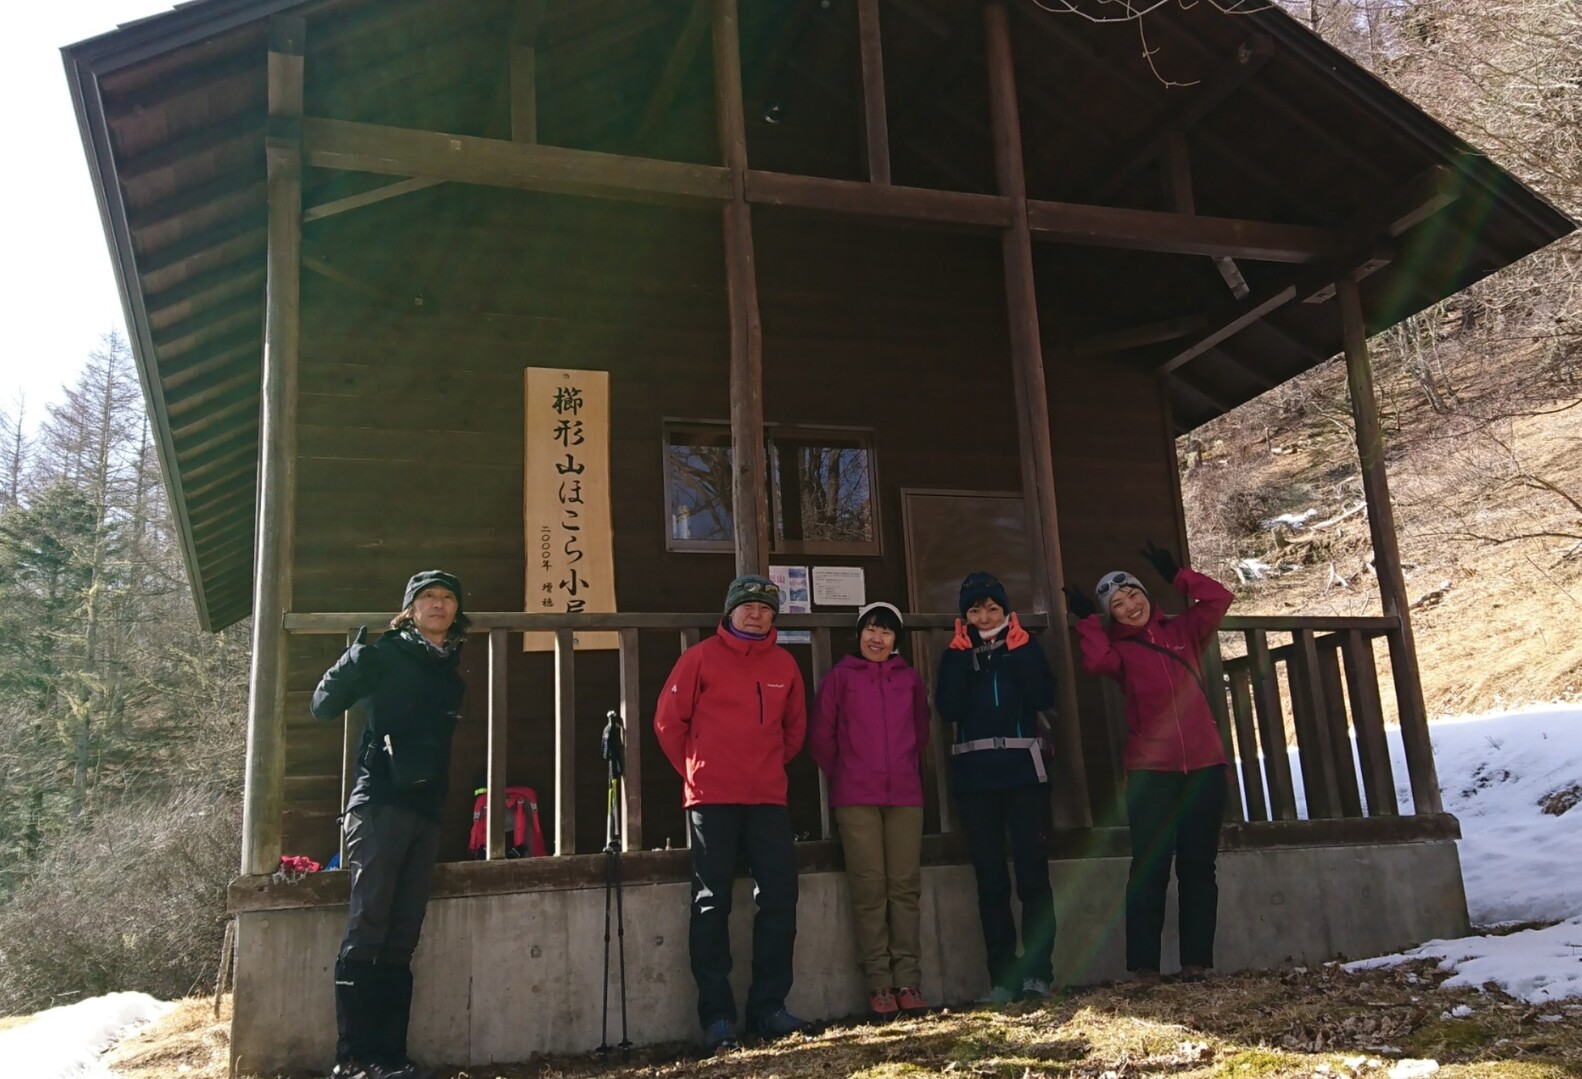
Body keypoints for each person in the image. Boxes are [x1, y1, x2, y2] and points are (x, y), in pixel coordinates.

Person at [309, 571, 469, 1079]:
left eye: (447, 598)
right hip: (379, 803)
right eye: (428, 598)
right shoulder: (383, 654)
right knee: (369, 925)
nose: (438, 605)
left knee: (403, 934)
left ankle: (390, 1058)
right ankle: (352, 1059)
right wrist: (347, 665)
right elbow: (322, 706)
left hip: (425, 809)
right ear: (410, 609)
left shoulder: (449, 670)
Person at [653, 575, 813, 1052]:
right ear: (729, 611)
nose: (756, 614)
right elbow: (668, 722)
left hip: (767, 797)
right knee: (710, 903)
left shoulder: (785, 664)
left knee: (780, 897)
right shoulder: (699, 658)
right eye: (747, 606)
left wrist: (760, 767)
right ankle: (717, 1018)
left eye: (765, 608)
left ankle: (769, 1008)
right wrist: (701, 767)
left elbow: (794, 730)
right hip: (710, 798)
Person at [1063, 542, 1233, 986]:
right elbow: (1097, 660)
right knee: (1149, 866)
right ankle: (1144, 967)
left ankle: (1197, 962)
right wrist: (1088, 620)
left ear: (1145, 594)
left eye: (1132, 595)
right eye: (1116, 604)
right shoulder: (1119, 651)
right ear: (1111, 615)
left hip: (1204, 765)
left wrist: (1178, 575)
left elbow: (1219, 598)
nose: (1129, 606)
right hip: (1150, 771)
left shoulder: (1184, 630)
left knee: (1199, 866)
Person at [934, 572, 1058, 1005]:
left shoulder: (1024, 645)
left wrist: (1021, 653)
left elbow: (1044, 694)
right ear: (964, 616)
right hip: (976, 777)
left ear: (1005, 611)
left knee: (1033, 878)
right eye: (974, 609)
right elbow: (947, 706)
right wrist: (957, 660)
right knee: (990, 882)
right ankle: (1002, 978)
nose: (984, 616)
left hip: (1025, 773)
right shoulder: (956, 654)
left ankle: (1038, 974)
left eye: (992, 608)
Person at [809, 601, 932, 1020]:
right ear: (859, 634)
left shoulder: (910, 679)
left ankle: (908, 981)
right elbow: (822, 738)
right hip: (856, 796)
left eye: (886, 631)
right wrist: (848, 773)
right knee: (869, 888)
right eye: (870, 630)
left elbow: (920, 731)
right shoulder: (839, 680)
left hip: (905, 796)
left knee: (904, 887)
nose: (877, 638)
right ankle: (879, 983)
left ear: (897, 640)